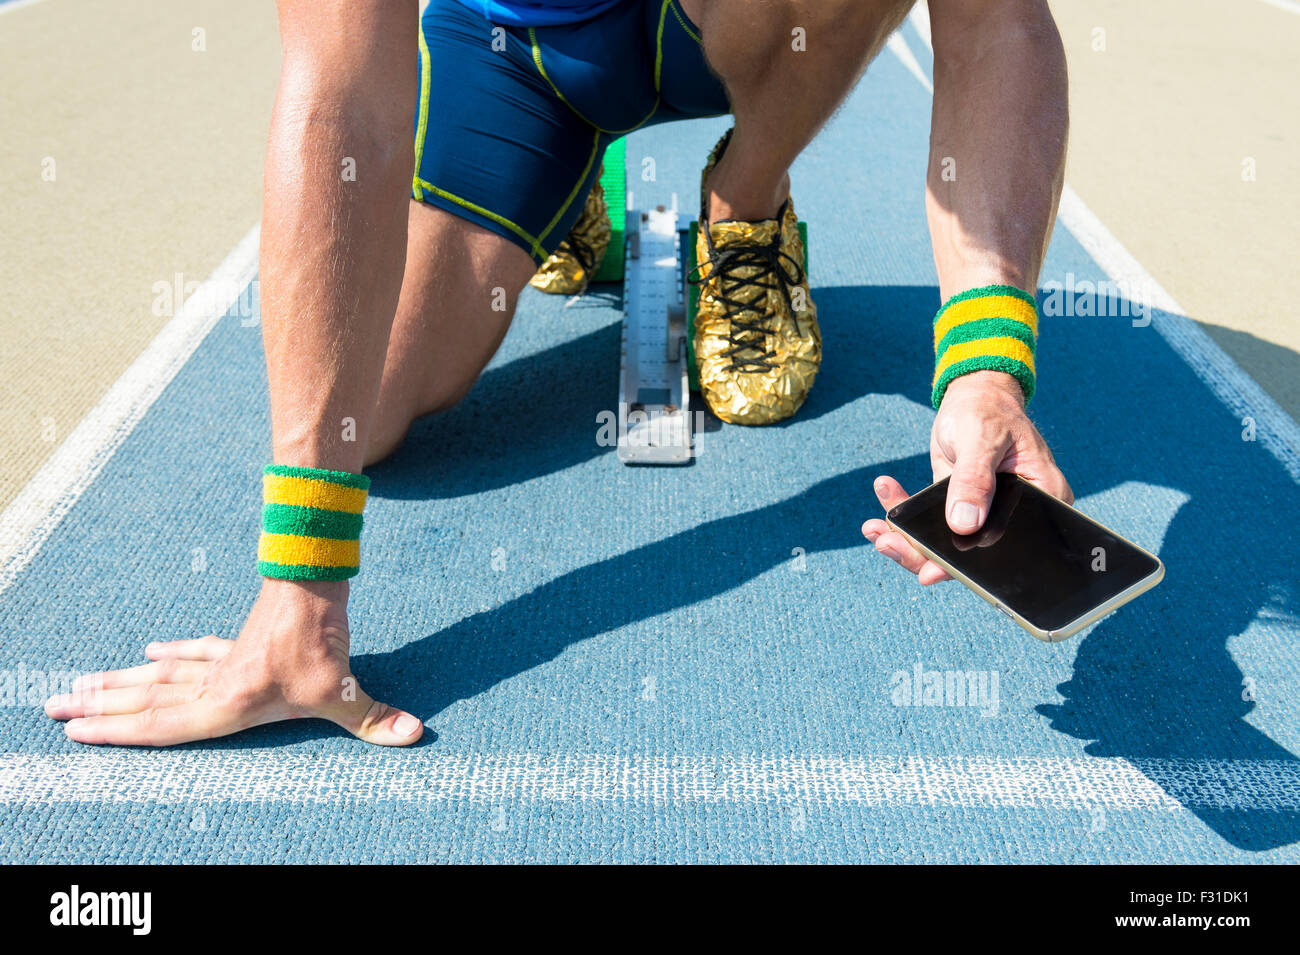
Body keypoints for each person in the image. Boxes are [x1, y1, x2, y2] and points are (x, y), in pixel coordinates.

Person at [44, 0, 1073, 747]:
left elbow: (996, 18)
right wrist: (302, 585)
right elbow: (343, 88)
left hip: (734, 30)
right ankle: (561, 194)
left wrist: (985, 365)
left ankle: (741, 203)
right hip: (516, 46)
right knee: (374, 414)